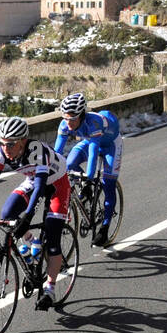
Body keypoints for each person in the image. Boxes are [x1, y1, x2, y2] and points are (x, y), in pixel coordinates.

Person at [0, 116, 71, 311]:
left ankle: (50, 289)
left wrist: (28, 217)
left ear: (22, 141)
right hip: (33, 179)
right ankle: (33, 241)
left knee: (53, 235)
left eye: (10, 144)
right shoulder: (3, 153)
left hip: (56, 182)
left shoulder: (36, 151)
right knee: (7, 213)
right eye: (2, 143)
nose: (6, 148)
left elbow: (39, 187)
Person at [52, 92, 123, 247]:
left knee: (108, 183)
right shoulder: (65, 124)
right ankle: (87, 192)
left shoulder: (94, 123)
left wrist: (89, 177)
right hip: (90, 141)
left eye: (73, 119)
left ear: (82, 115)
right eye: (65, 118)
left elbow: (93, 152)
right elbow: (57, 154)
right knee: (70, 164)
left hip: (110, 145)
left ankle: (105, 227)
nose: (68, 122)